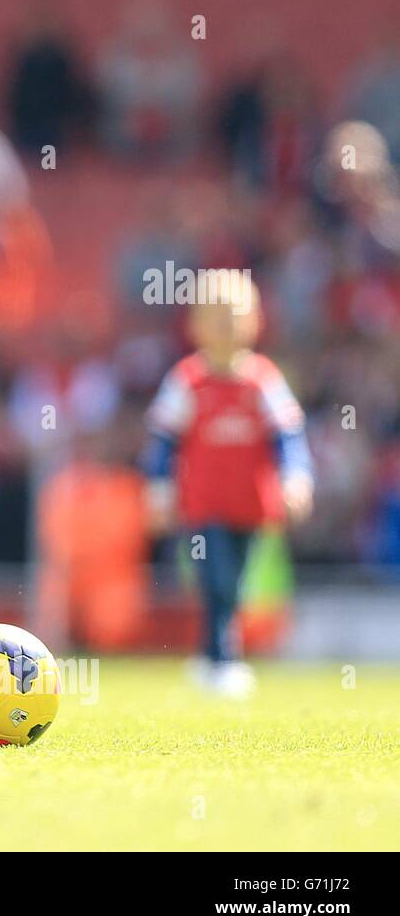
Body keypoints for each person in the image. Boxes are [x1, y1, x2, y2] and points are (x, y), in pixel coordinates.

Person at [142, 273, 313, 697]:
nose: (225, 326)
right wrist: (159, 493)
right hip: (202, 507)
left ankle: (211, 654)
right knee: (214, 577)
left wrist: (296, 480)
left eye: (234, 316)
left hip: (251, 507)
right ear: (194, 324)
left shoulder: (264, 381)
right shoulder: (187, 381)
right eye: (215, 316)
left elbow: (287, 438)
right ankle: (223, 659)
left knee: (234, 582)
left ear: (255, 321)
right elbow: (163, 444)